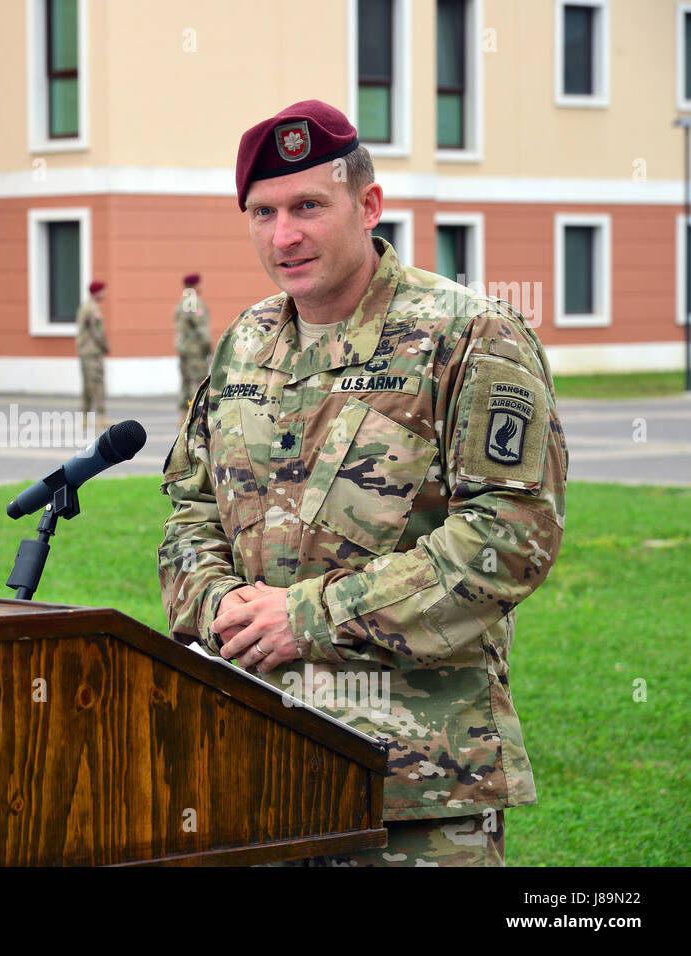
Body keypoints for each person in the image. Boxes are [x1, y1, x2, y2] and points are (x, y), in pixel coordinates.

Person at [157, 100, 568, 866]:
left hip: (413, 784)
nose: (285, 236)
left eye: (308, 206)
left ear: (368, 204)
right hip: (256, 757)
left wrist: (309, 616)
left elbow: (511, 537)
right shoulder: (245, 342)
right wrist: (217, 604)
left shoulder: (471, 337)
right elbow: (191, 508)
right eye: (263, 212)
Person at [174, 273, 212, 423]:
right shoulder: (195, 303)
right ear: (195, 285)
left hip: (183, 349)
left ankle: (182, 416)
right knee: (197, 384)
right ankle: (194, 418)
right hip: (195, 350)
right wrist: (209, 349)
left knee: (185, 382)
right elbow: (202, 330)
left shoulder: (181, 303)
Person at [75, 280, 110, 429]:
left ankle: (84, 417)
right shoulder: (93, 309)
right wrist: (105, 346)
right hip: (92, 351)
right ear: (97, 292)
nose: (105, 293)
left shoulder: (85, 307)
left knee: (88, 385)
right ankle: (100, 417)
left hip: (85, 351)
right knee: (97, 384)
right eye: (103, 290)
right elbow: (97, 332)